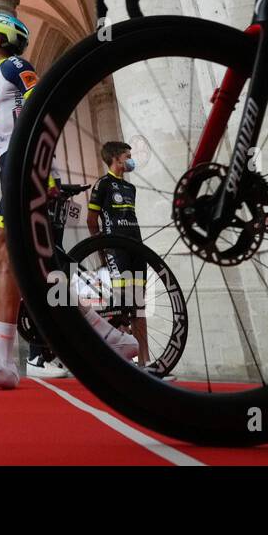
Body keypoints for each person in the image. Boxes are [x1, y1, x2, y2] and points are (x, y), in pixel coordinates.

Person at [0, 13, 139, 388]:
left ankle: (1, 358)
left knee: (1, 249)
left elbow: (42, 111)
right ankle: (110, 337)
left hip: (28, 171)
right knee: (37, 269)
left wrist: (44, 172)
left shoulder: (16, 66)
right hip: (12, 170)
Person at [87, 142, 152, 371]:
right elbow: (91, 220)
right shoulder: (103, 185)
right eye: (128, 155)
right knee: (122, 302)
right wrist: (102, 248)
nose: (131, 159)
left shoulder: (130, 188)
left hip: (136, 246)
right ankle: (121, 359)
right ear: (117, 158)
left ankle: (145, 362)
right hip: (116, 248)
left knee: (139, 304)